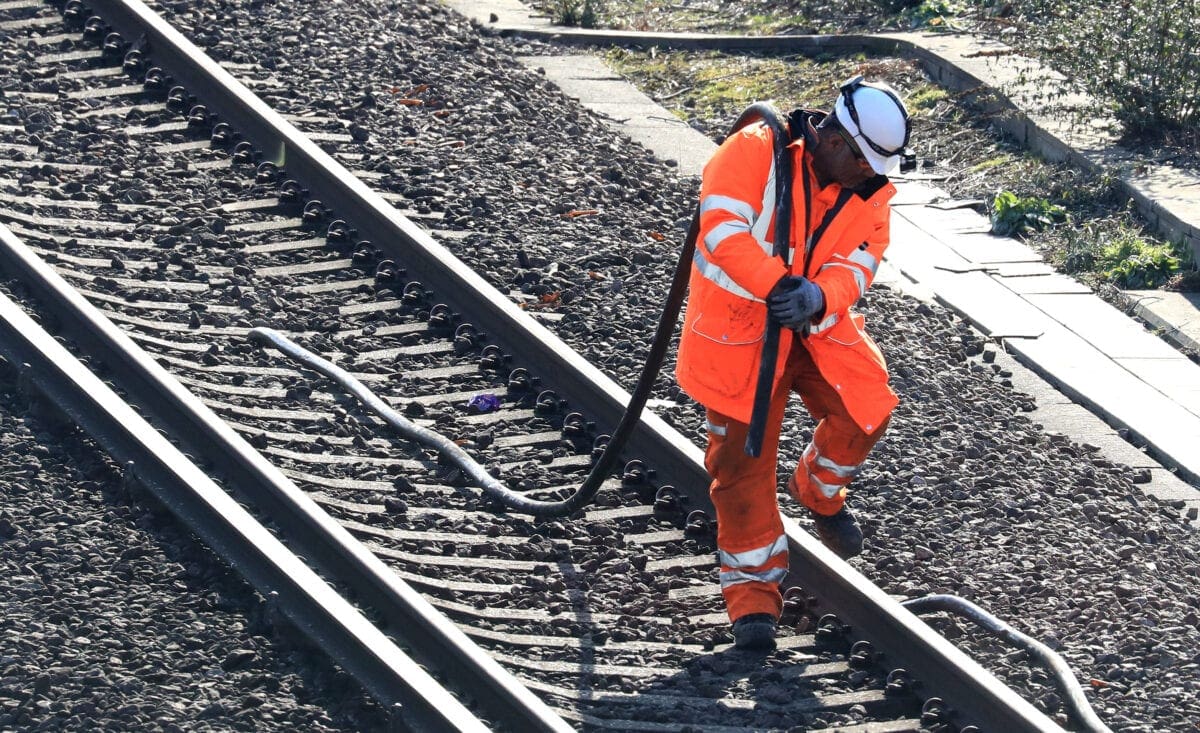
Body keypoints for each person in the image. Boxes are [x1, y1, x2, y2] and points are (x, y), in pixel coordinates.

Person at [674, 76, 912, 651]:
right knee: (742, 471)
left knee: (865, 410)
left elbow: (863, 260)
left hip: (814, 329)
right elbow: (722, 231)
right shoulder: (756, 149)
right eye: (866, 161)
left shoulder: (869, 190)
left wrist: (818, 297)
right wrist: (777, 284)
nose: (874, 175)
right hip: (742, 339)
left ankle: (817, 491)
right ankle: (753, 603)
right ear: (835, 141)